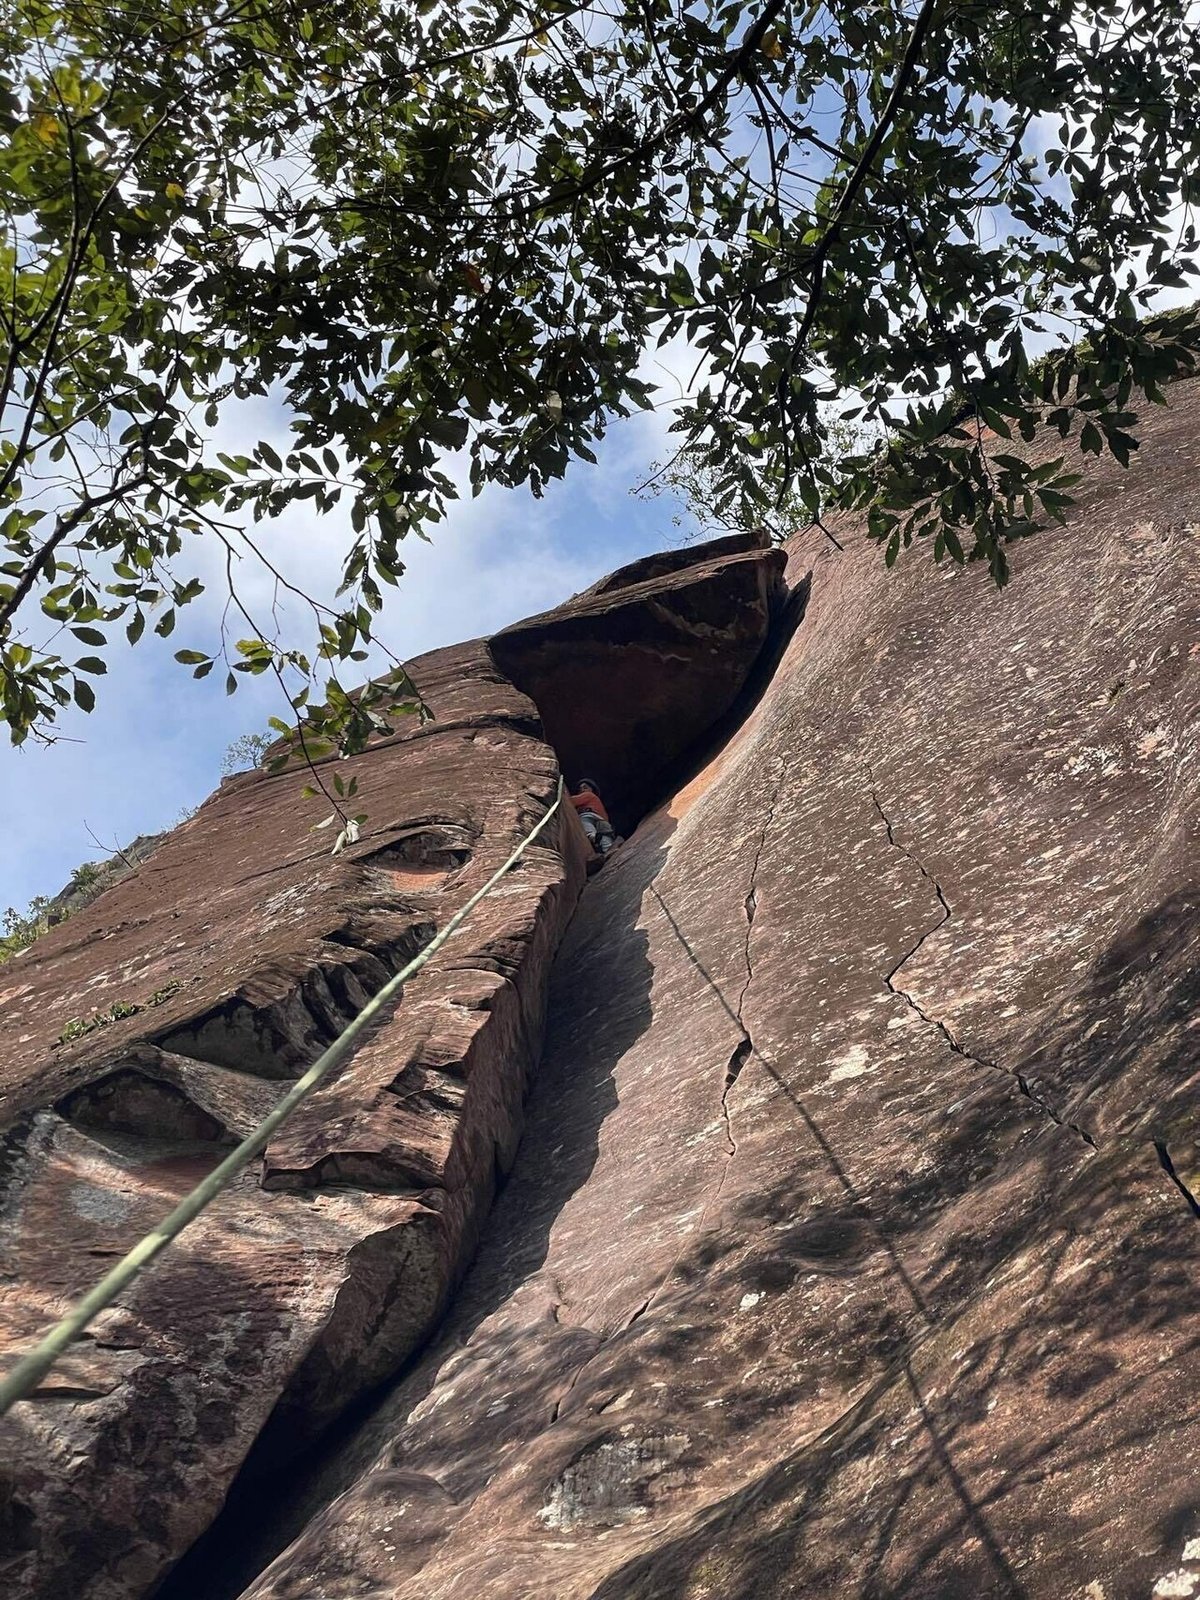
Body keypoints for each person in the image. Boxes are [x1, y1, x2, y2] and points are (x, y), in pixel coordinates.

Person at [570, 778, 618, 856]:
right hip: (603, 821)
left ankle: (593, 836)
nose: (582, 790)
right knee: (605, 835)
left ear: (591, 789)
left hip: (588, 815)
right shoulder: (598, 802)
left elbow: (573, 801)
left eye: (585, 787)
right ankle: (608, 850)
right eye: (580, 789)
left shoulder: (588, 795)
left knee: (586, 824)